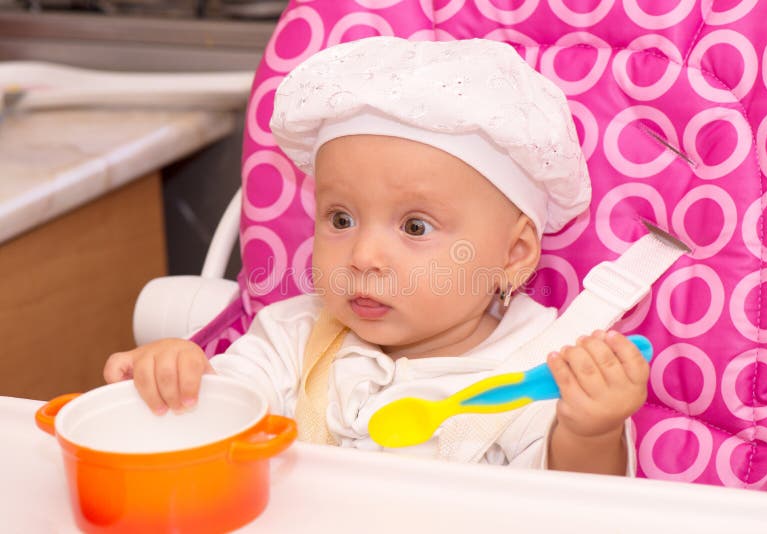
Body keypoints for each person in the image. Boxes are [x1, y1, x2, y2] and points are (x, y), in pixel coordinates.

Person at [104, 37, 650, 476]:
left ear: (513, 255)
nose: (363, 255)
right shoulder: (293, 338)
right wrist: (178, 376)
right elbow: (219, 420)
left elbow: (574, 507)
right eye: (340, 220)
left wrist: (589, 433)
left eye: (415, 226)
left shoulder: (544, 367)